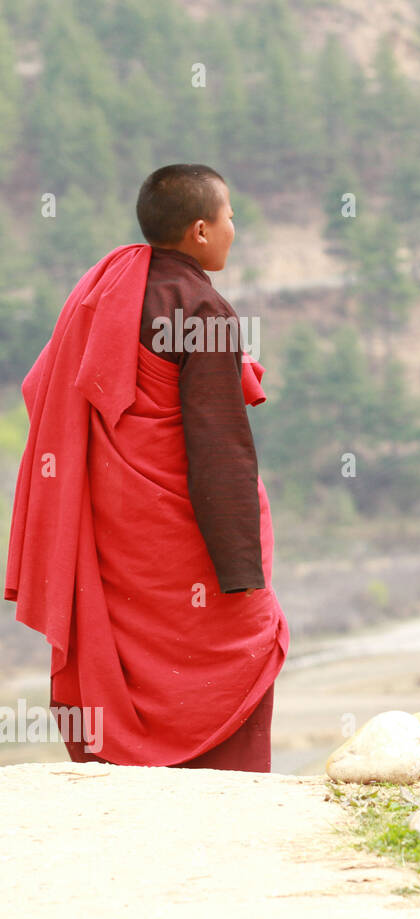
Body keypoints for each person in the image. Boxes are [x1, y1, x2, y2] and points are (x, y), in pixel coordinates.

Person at [5, 164, 288, 771]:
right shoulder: (203, 311)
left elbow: (46, 388)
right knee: (244, 638)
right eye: (230, 216)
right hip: (181, 535)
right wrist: (240, 572)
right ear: (200, 231)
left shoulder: (106, 292)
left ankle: (120, 764)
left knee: (121, 643)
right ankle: (217, 781)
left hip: (114, 528)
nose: (235, 228)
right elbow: (219, 447)